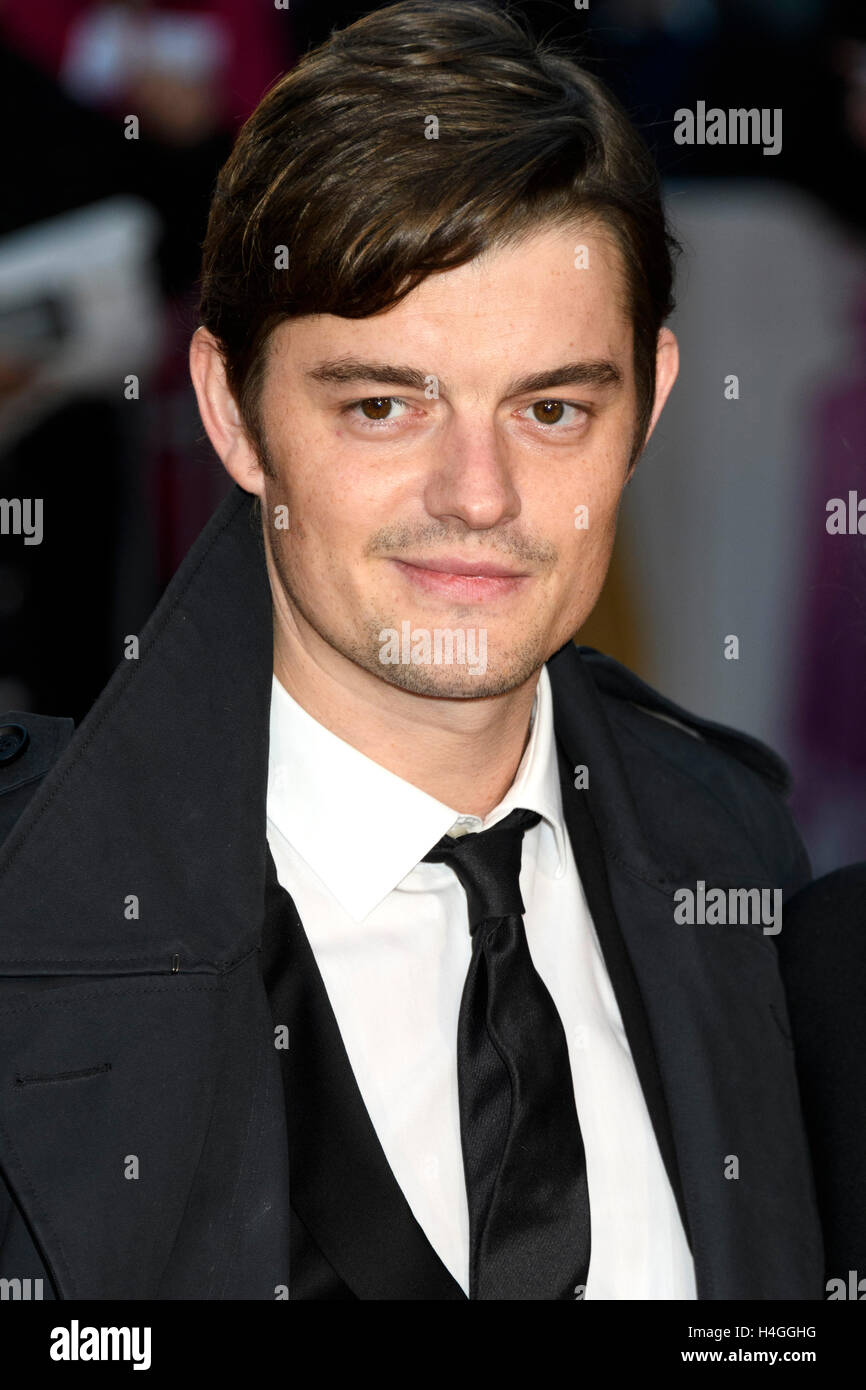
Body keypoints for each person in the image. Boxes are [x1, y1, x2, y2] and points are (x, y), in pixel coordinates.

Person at [0, 0, 824, 1300]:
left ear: (649, 403)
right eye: (383, 405)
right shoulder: (32, 921)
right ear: (232, 409)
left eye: (550, 409)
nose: (477, 494)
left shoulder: (753, 881)